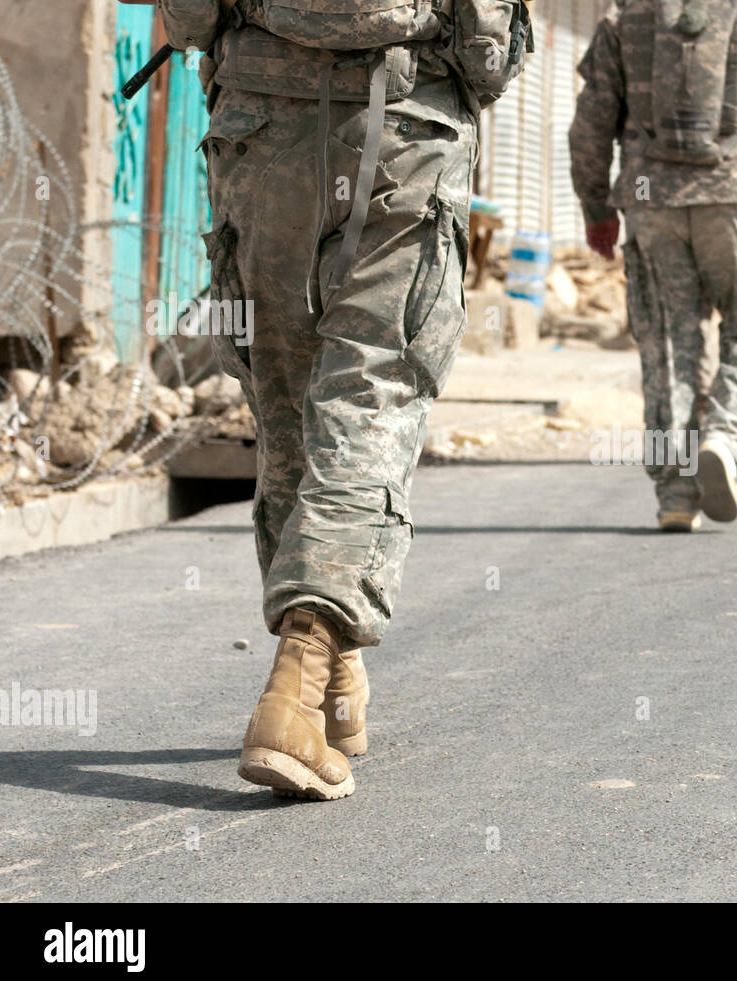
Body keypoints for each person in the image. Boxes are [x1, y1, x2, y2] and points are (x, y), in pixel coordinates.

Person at [157, 0, 530, 799]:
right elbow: (488, 52)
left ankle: (336, 684)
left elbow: (187, 20)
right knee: (367, 393)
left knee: (288, 407)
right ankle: (300, 682)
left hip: (259, 141)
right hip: (401, 138)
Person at [569, 0, 737, 531]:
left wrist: (596, 207)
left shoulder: (624, 18)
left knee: (668, 342)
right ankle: (725, 437)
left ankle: (676, 492)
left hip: (652, 200)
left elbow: (591, 122)